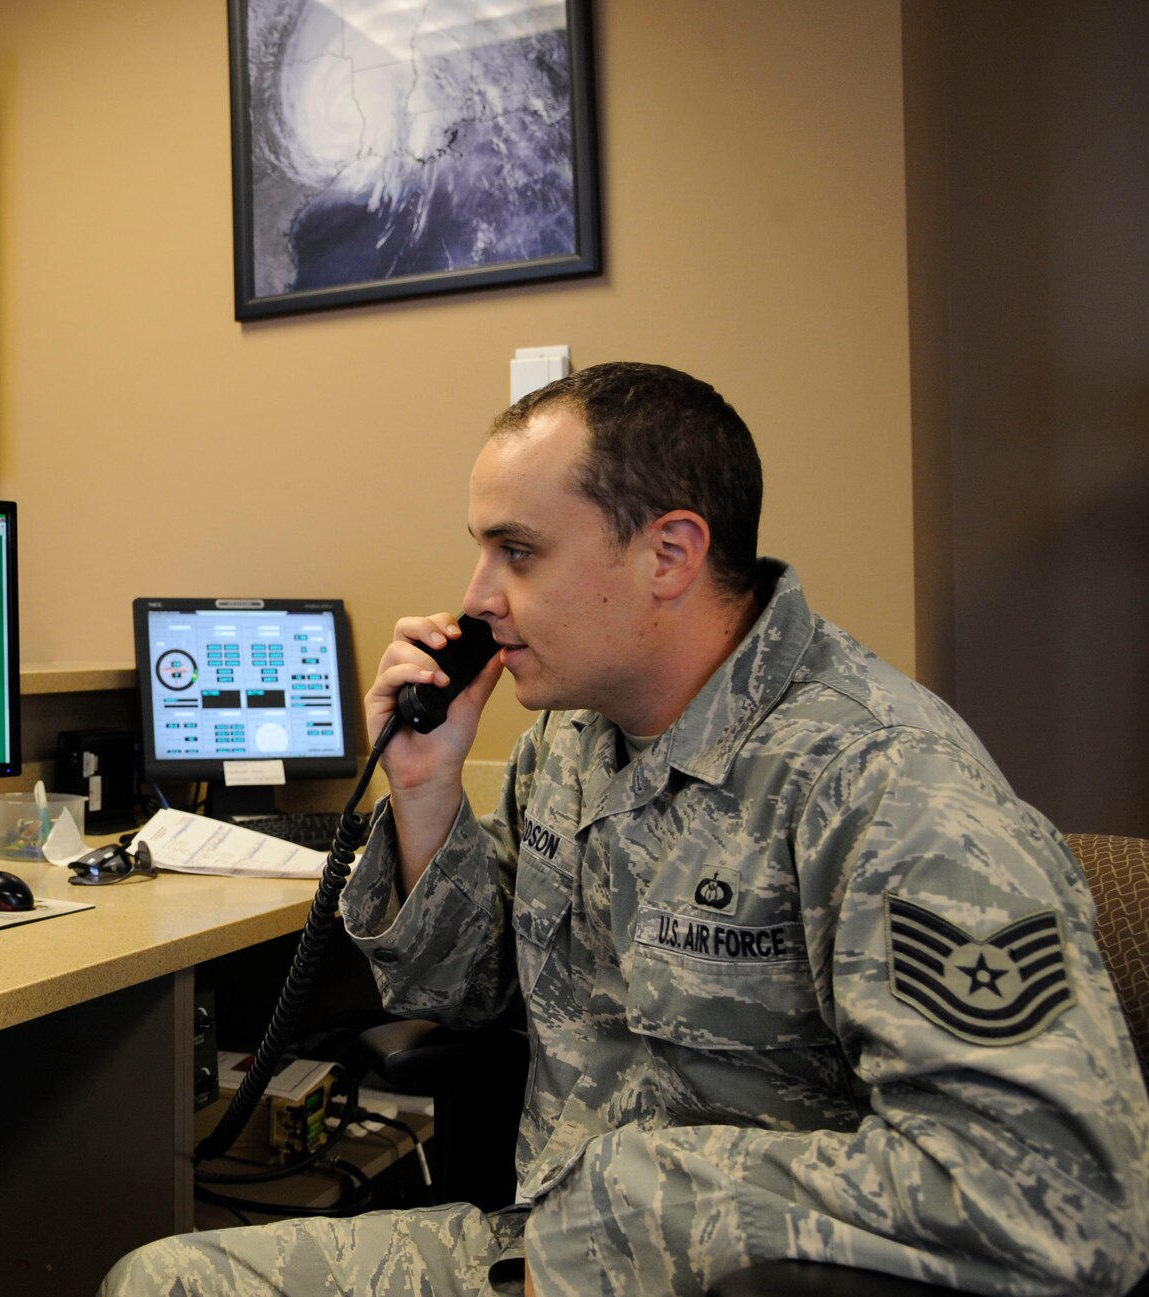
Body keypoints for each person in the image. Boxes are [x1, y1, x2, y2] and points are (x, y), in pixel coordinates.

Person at [101, 362, 1149, 1296]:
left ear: (669, 552)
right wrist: (423, 791)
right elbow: (459, 995)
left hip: (721, 1271)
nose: (476, 600)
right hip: (536, 1249)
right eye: (479, 550)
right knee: (163, 1277)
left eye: (515, 551)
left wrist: (631, 1195)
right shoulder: (569, 741)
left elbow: (1053, 1205)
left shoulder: (886, 783)